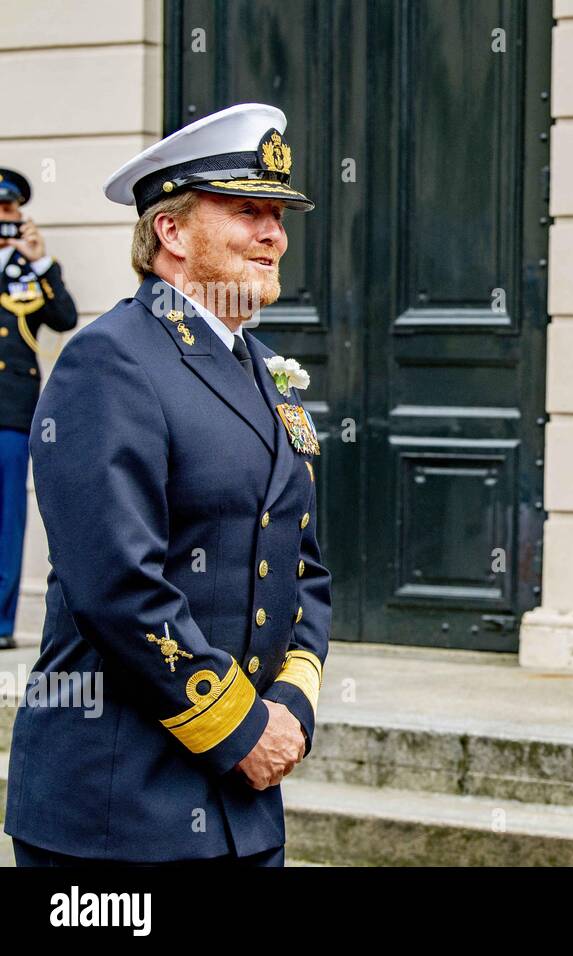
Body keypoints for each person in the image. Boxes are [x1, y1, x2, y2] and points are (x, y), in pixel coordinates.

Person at [3, 103, 330, 865]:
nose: (274, 234)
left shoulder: (268, 371)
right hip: (119, 812)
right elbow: (117, 585)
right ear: (171, 234)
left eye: (278, 215)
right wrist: (241, 730)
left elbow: (304, 566)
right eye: (248, 211)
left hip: (244, 815)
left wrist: (290, 707)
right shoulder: (111, 360)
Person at [0, 167, 77, 649]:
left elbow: (64, 317)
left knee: (8, 513)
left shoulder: (33, 269)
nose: (2, 216)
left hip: (10, 404)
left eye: (8, 208)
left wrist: (41, 260)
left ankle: (2, 624)